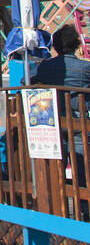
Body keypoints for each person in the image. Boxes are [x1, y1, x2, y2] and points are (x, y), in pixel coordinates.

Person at [31, 24, 90, 183]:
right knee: (82, 166)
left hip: (52, 119)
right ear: (76, 44)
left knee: (56, 164)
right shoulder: (86, 68)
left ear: (55, 46)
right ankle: (84, 204)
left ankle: (58, 202)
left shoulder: (46, 67)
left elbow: (26, 80)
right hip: (79, 119)